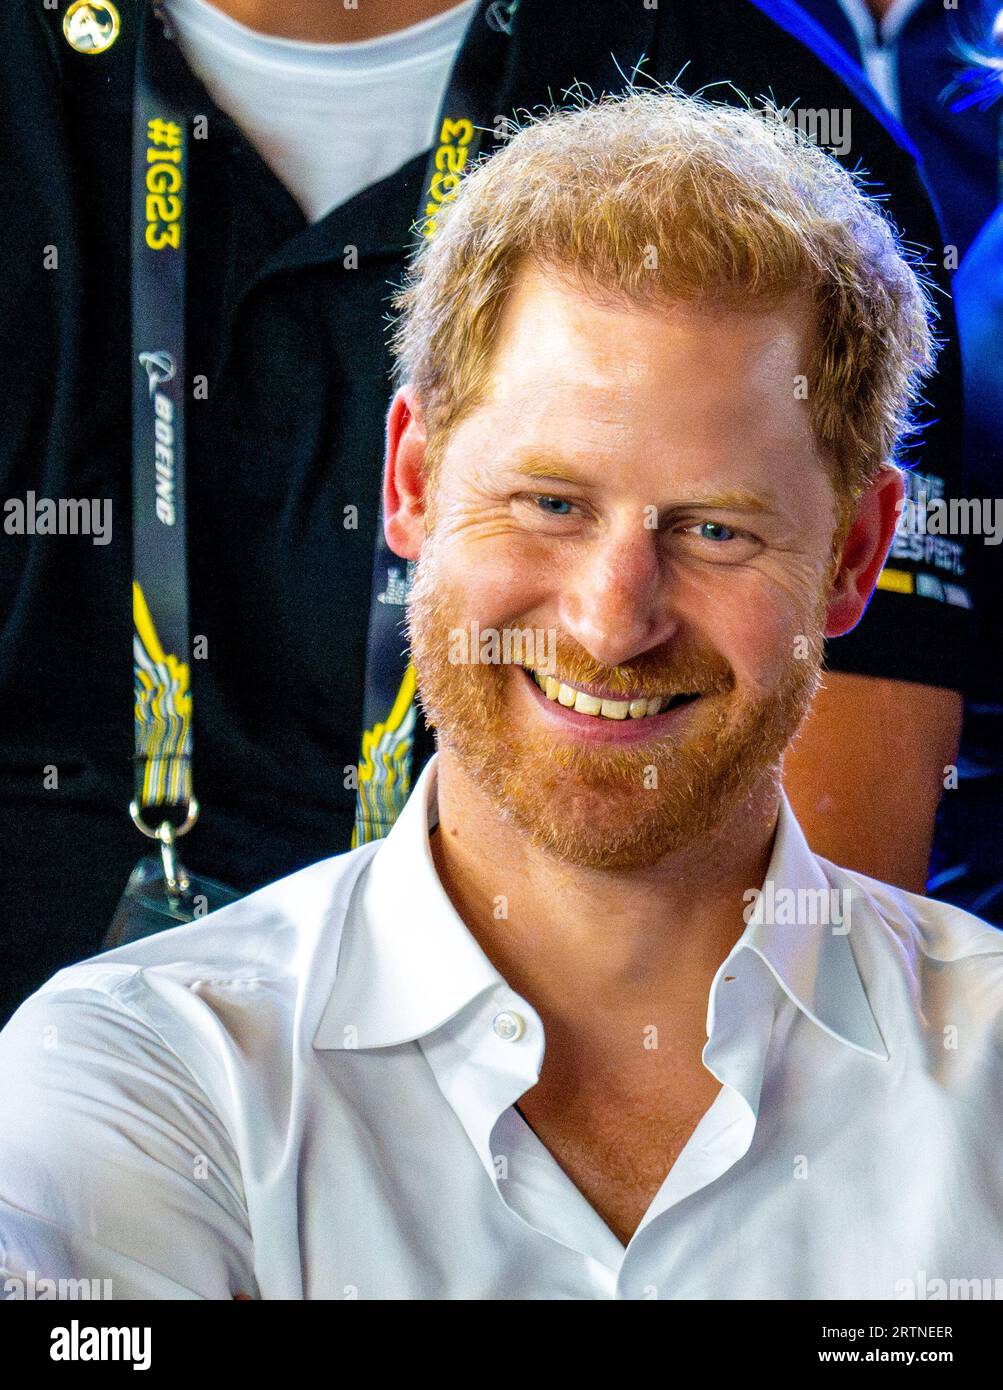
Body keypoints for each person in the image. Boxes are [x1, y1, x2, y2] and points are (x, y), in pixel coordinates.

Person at [1, 85, 1000, 1300]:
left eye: (716, 529)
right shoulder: (147, 1065)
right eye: (551, 504)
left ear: (853, 556)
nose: (609, 619)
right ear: (411, 481)